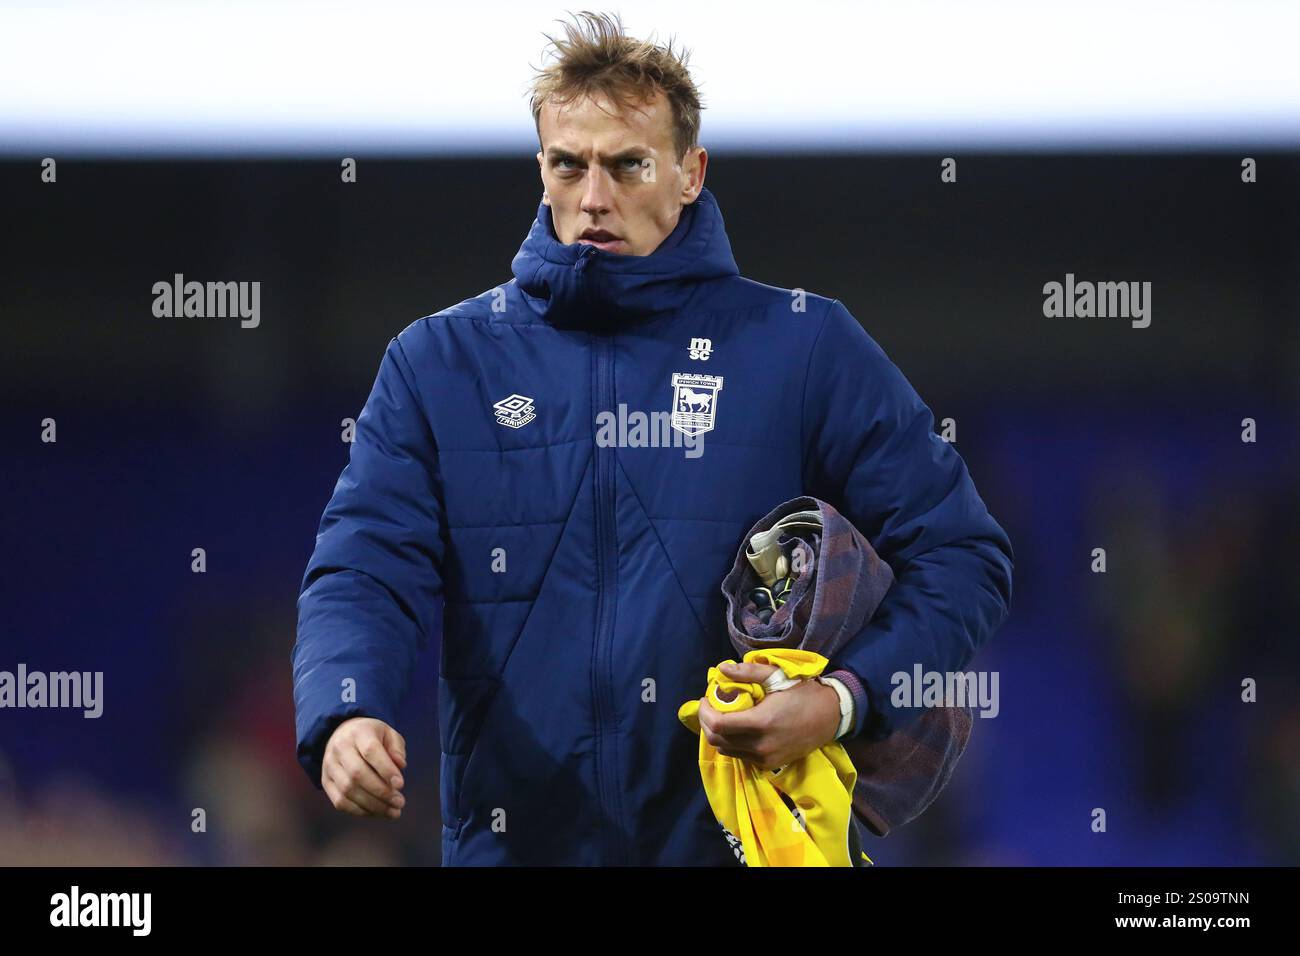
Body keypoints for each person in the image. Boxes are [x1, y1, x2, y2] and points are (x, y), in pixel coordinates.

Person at [291, 11, 1013, 866]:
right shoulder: (439, 364)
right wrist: (344, 709)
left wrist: (843, 700)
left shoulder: (802, 347)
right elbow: (366, 564)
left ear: (688, 174)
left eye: (627, 164)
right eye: (569, 165)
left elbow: (964, 556)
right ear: (543, 170)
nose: (594, 198)